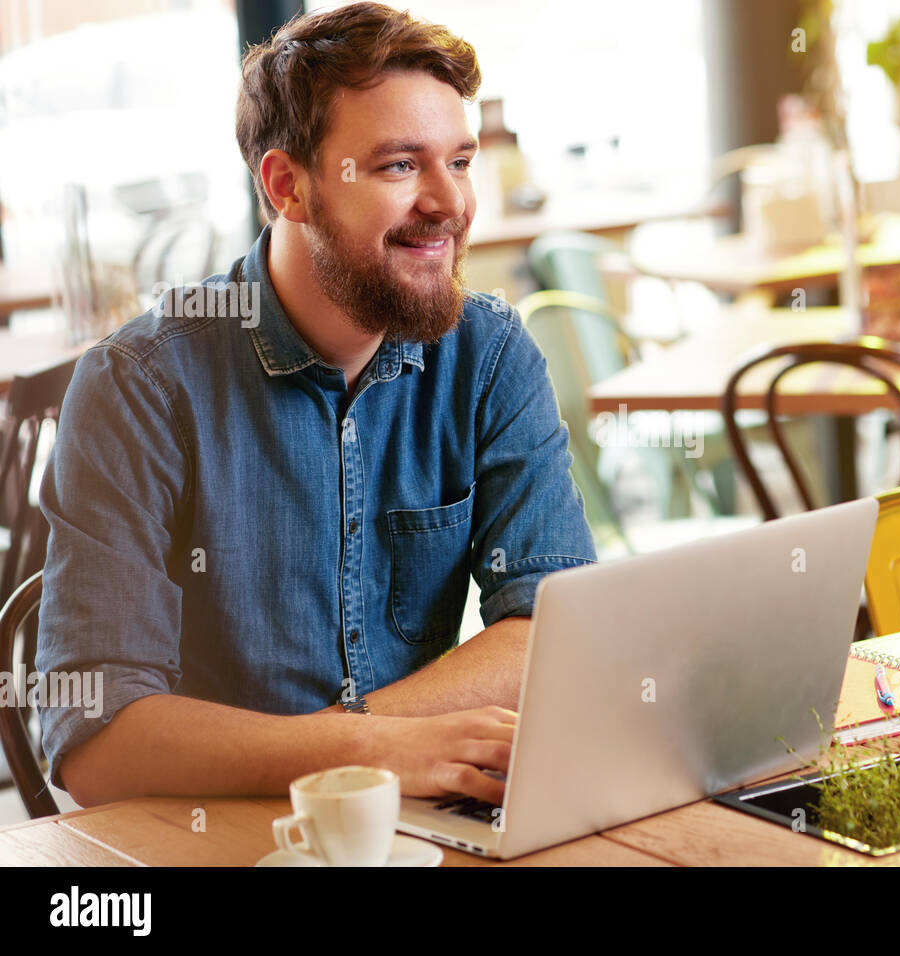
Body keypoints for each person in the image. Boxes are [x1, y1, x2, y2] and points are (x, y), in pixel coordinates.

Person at [35, 2, 596, 809]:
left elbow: (556, 630)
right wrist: (369, 751)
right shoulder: (140, 386)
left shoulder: (490, 353)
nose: (451, 203)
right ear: (287, 186)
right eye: (401, 166)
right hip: (217, 842)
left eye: (460, 161)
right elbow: (95, 742)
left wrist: (362, 741)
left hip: (415, 828)